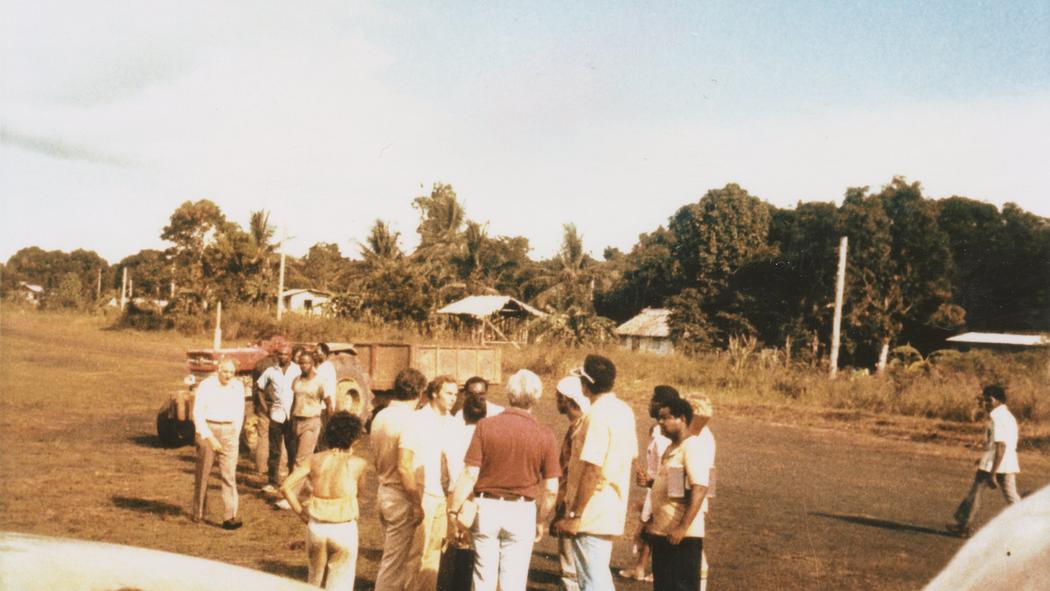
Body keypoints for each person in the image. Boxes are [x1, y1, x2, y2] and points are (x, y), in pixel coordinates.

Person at [447, 369, 561, 591]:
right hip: (521, 510)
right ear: (536, 398)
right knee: (514, 581)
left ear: (509, 395)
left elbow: (470, 473)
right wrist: (541, 520)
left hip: (487, 506)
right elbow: (551, 490)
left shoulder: (486, 426)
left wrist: (454, 509)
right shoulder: (544, 435)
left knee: (483, 578)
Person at [554, 354, 638, 591]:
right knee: (596, 576)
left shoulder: (597, 415)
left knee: (592, 580)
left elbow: (592, 468)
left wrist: (575, 515)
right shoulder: (624, 410)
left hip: (592, 507)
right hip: (610, 504)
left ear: (586, 384)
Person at [281, 412, 367, 590]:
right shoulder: (359, 464)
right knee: (340, 583)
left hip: (316, 527)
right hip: (344, 528)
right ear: (355, 438)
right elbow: (359, 494)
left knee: (314, 580)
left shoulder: (314, 460)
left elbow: (286, 487)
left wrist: (300, 512)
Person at [644, 396, 714, 591]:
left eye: (665, 418)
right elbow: (675, 489)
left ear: (681, 418)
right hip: (664, 532)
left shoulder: (692, 447)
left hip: (682, 537)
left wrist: (682, 527)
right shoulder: (672, 448)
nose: (660, 423)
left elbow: (700, 488)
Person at [372, 368, 428, 591]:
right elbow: (404, 467)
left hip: (384, 489)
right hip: (400, 495)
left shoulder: (381, 415)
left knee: (394, 560)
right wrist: (416, 504)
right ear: (420, 392)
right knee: (393, 566)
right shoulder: (410, 421)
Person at [404, 376, 459, 590]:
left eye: (455, 394)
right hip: (423, 492)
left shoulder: (454, 422)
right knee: (416, 551)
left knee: (436, 551)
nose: (453, 398)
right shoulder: (417, 419)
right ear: (435, 393)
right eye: (448, 393)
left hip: (445, 496)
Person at [620, 385, 678, 583]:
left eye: (653, 400)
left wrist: (652, 483)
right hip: (654, 486)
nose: (649, 404)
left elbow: (666, 467)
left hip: (661, 488)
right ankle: (640, 567)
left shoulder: (665, 435)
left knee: (654, 528)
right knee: (648, 527)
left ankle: (654, 569)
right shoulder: (655, 431)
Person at [949, 384, 1022, 537]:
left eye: (990, 400)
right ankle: (964, 525)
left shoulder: (998, 416)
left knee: (978, 492)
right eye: (985, 400)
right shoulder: (1005, 415)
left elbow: (1001, 446)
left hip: (996, 462)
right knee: (1008, 495)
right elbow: (996, 445)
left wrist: (993, 473)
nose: (986, 404)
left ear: (999, 401)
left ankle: (965, 526)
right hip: (1004, 461)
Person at [439, 391, 487, 591]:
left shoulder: (451, 434)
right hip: (476, 495)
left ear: (464, 414)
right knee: (478, 551)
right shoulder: (486, 437)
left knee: (452, 548)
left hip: (453, 494)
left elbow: (443, 470)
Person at [191, 358, 246, 530]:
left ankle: (229, 517)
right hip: (208, 430)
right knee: (203, 474)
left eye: (231, 372)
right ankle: (198, 513)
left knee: (229, 475)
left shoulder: (238, 387)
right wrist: (209, 437)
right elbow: (197, 413)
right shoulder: (206, 386)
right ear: (218, 370)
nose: (228, 375)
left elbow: (240, 412)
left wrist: (235, 435)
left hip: (229, 432)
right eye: (225, 372)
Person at [279, 350, 334, 509]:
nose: (304, 366)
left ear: (313, 363)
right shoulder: (297, 380)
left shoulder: (320, 381)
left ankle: (291, 498)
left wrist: (329, 426)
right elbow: (294, 401)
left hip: (312, 422)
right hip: (297, 421)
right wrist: (290, 421)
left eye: (307, 363)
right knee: (304, 460)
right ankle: (317, 493)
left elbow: (329, 404)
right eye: (301, 363)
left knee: (301, 460)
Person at [552, 376, 590, 591]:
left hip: (575, 508)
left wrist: (565, 511)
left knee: (574, 568)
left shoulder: (583, 430)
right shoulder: (575, 427)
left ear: (568, 400)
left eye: (559, 397)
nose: (556, 401)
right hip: (568, 505)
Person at [256, 345, 300, 494]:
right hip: (276, 415)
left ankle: (292, 482)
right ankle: (272, 482)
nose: (283, 357)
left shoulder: (297, 370)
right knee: (274, 450)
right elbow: (259, 388)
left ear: (291, 355)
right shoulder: (270, 371)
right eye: (280, 354)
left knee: (292, 450)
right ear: (277, 355)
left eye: (286, 354)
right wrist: (265, 407)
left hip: (292, 416)